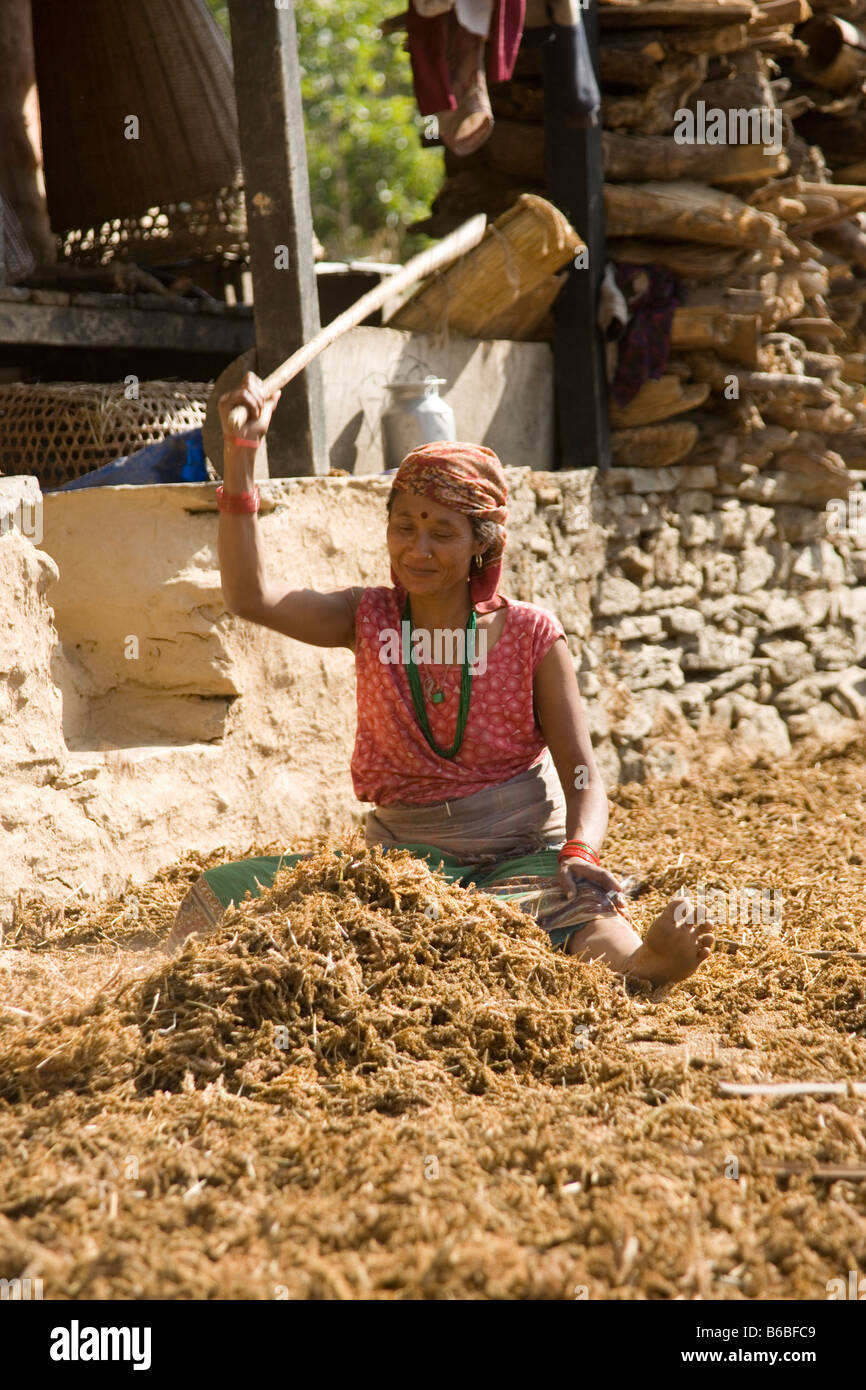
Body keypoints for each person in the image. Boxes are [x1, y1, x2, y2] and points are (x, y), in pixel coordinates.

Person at [168, 372, 714, 987]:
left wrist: (581, 850)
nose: (418, 549)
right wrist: (242, 457)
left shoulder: (533, 636)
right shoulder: (365, 617)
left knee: (577, 910)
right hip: (404, 860)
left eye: (442, 533)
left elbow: (583, 771)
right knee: (224, 894)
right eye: (405, 526)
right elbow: (253, 597)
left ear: (482, 545)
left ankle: (644, 966)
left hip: (518, 854)